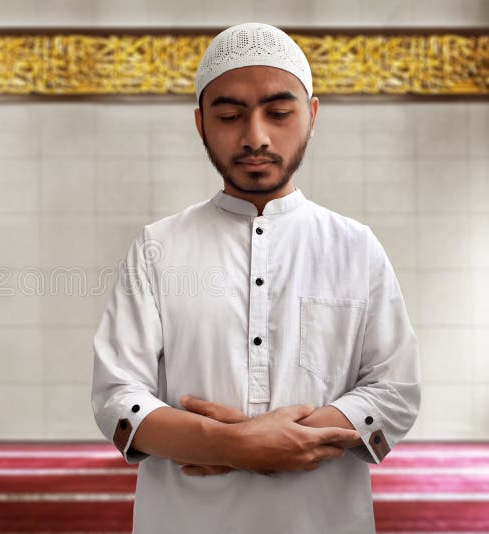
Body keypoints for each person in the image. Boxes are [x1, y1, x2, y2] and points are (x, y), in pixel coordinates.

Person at [91, 22, 421, 534]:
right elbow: (117, 396)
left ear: (311, 115)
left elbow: (394, 390)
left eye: (279, 112)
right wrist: (236, 444)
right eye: (229, 115)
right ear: (201, 124)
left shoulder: (355, 246)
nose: (256, 137)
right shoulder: (158, 247)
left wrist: (277, 442)